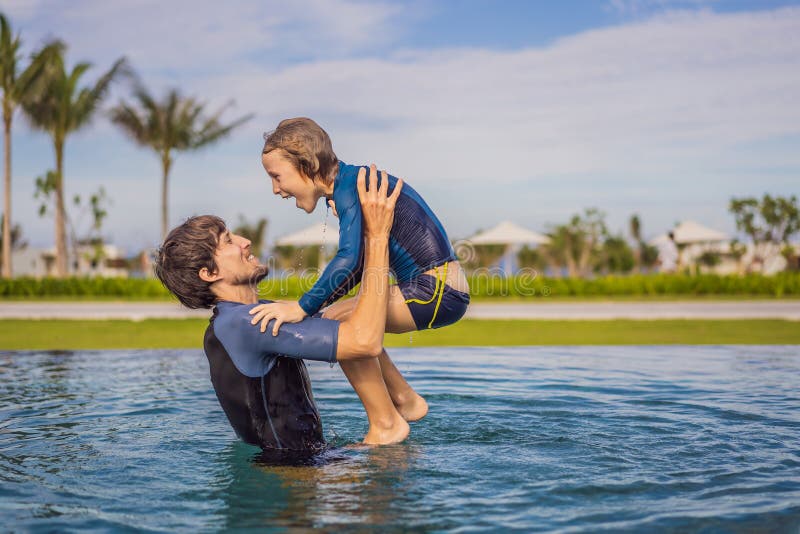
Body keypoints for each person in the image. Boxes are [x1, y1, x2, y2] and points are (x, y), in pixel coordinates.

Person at [154, 165, 422, 455]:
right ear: (209, 273)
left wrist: (357, 230)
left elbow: (347, 323)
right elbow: (364, 341)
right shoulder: (245, 323)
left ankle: (400, 402)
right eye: (229, 241)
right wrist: (376, 236)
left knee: (397, 463)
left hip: (307, 461)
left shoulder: (255, 314)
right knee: (394, 465)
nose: (245, 242)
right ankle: (387, 420)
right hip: (290, 473)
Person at [252, 117, 470, 338]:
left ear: (308, 165)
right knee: (343, 319)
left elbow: (350, 259)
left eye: (276, 177)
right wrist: (310, 306)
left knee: (337, 320)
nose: (275, 189)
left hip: (437, 290)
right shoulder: (348, 185)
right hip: (439, 288)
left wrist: (301, 308)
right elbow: (356, 268)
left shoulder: (352, 188)